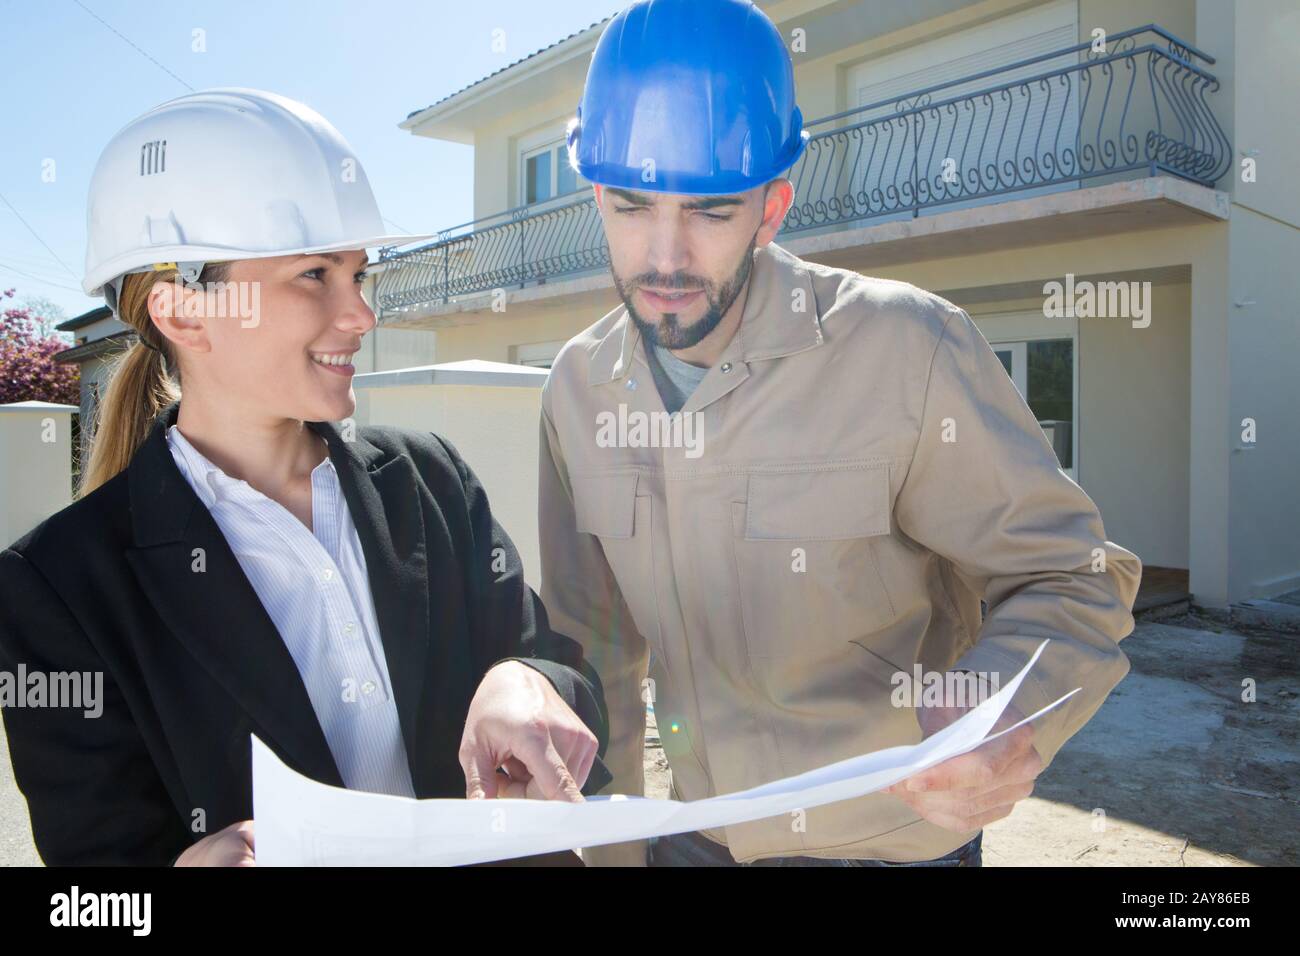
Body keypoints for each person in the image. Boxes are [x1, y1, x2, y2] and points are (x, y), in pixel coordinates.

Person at [540, 0, 1142, 866]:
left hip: (892, 850)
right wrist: (614, 852)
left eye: (710, 211)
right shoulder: (575, 389)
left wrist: (1007, 707)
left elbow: (1072, 576)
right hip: (690, 843)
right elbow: (590, 649)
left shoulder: (909, 350)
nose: (664, 257)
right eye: (632, 205)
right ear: (597, 192)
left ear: (773, 206)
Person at [0, 88, 610, 867]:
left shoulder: (431, 482)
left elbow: (559, 666)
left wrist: (531, 683)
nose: (360, 313)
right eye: (315, 274)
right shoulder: (58, 588)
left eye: (360, 272)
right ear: (183, 313)